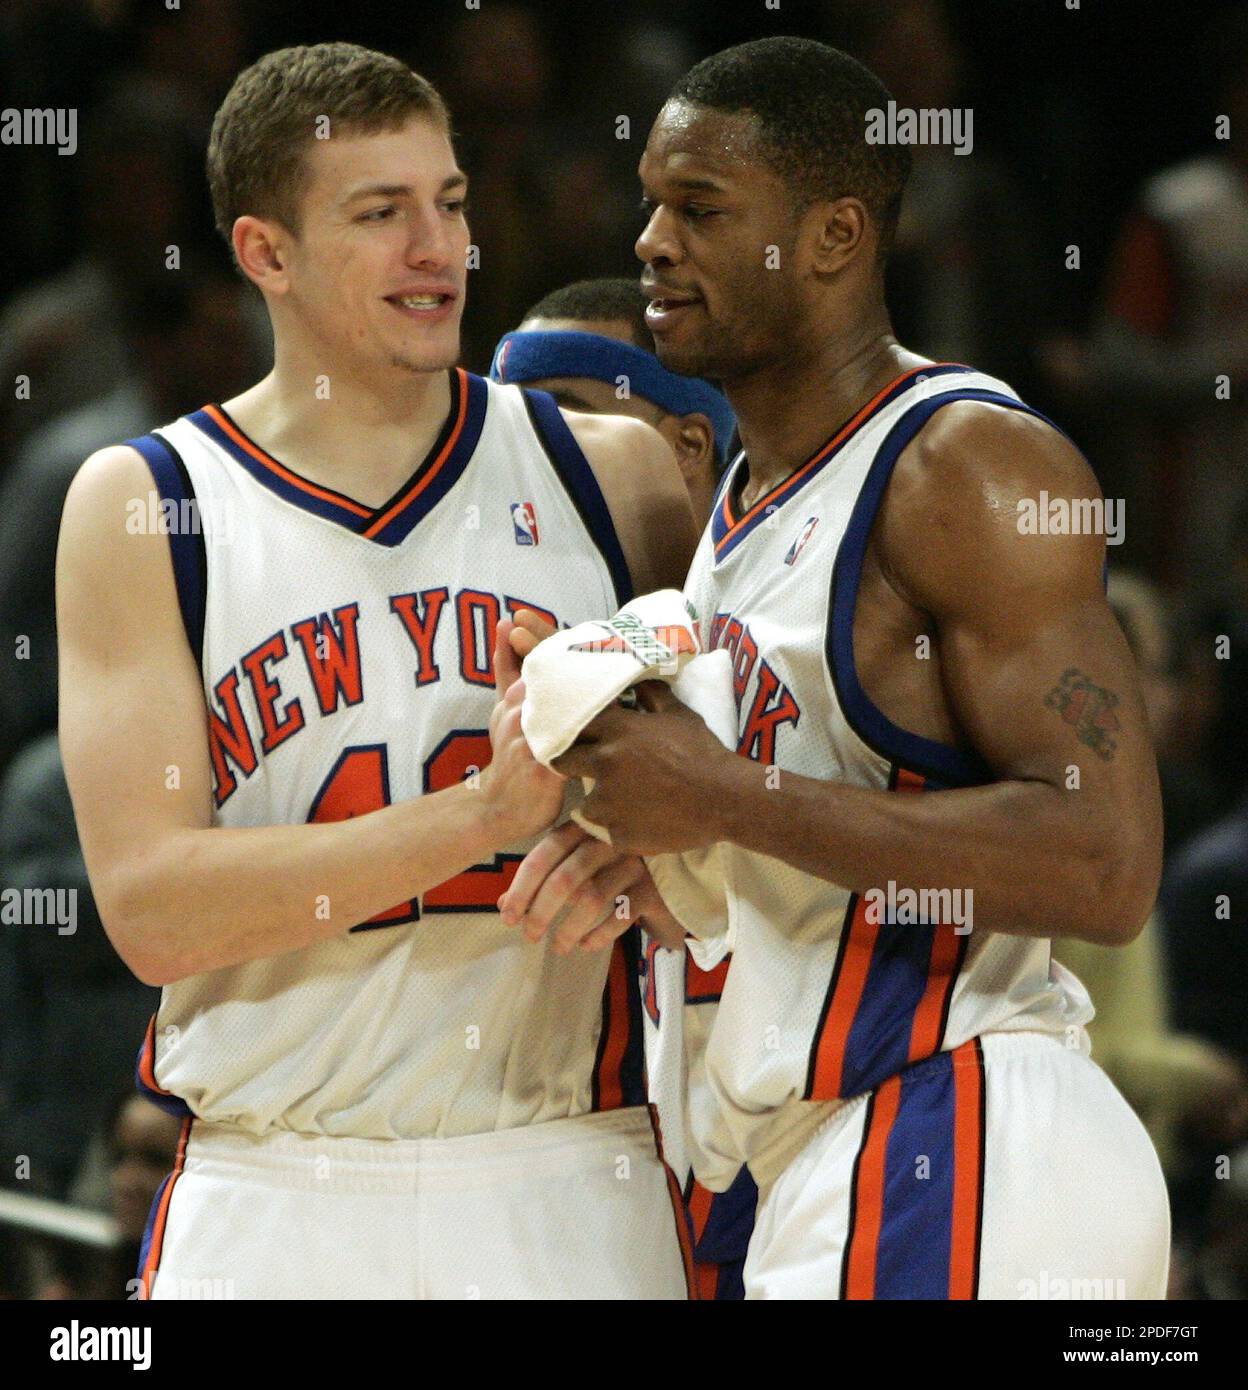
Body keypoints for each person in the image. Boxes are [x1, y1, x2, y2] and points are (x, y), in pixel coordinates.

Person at [501, 36, 1169, 1299]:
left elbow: (1107, 862)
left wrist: (723, 801)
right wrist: (669, 859)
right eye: (650, 199)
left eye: (699, 209)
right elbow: (812, 846)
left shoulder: (965, 468)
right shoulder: (747, 503)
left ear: (833, 235)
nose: (649, 240)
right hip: (835, 1152)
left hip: (960, 1132)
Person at [56, 42, 698, 1301]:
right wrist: (481, 818)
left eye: (449, 202)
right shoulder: (149, 503)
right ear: (264, 253)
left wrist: (649, 851)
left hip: (566, 1169)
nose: (437, 248)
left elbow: (719, 830)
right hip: (272, 1188)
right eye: (381, 212)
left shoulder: (613, 475)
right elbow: (152, 907)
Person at [490, 292, 756, 1297]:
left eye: (562, 415)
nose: (529, 457)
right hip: (603, 1192)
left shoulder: (766, 618)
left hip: (796, 1159)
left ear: (688, 443)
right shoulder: (521, 668)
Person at [491, 276, 734, 522]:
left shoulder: (766, 555)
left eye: (561, 423)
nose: (520, 452)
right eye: (511, 425)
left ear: (687, 445)